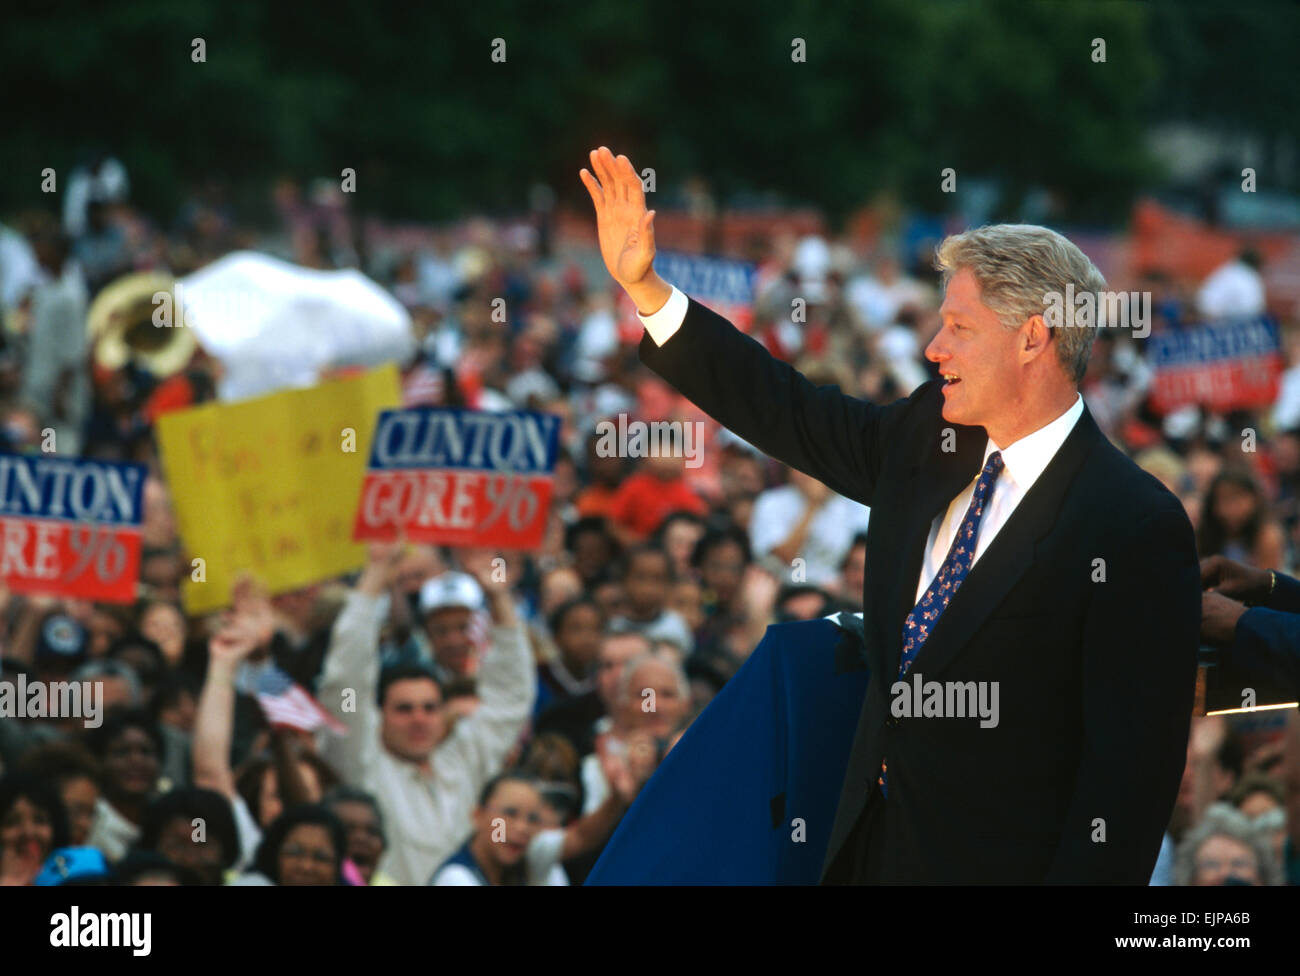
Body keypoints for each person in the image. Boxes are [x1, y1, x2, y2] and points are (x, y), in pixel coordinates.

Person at [580, 146, 1200, 883]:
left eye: (959, 328)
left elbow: (1125, 789)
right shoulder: (925, 440)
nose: (933, 349)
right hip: (860, 856)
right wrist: (647, 289)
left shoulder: (1133, 524)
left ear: (1034, 336)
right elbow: (787, 409)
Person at [317, 543, 534, 885]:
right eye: (404, 709)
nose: (420, 719)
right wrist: (375, 576)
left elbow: (512, 696)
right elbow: (345, 684)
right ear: (380, 717)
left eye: (430, 708)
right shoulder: (364, 766)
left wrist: (497, 596)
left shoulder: (464, 759)